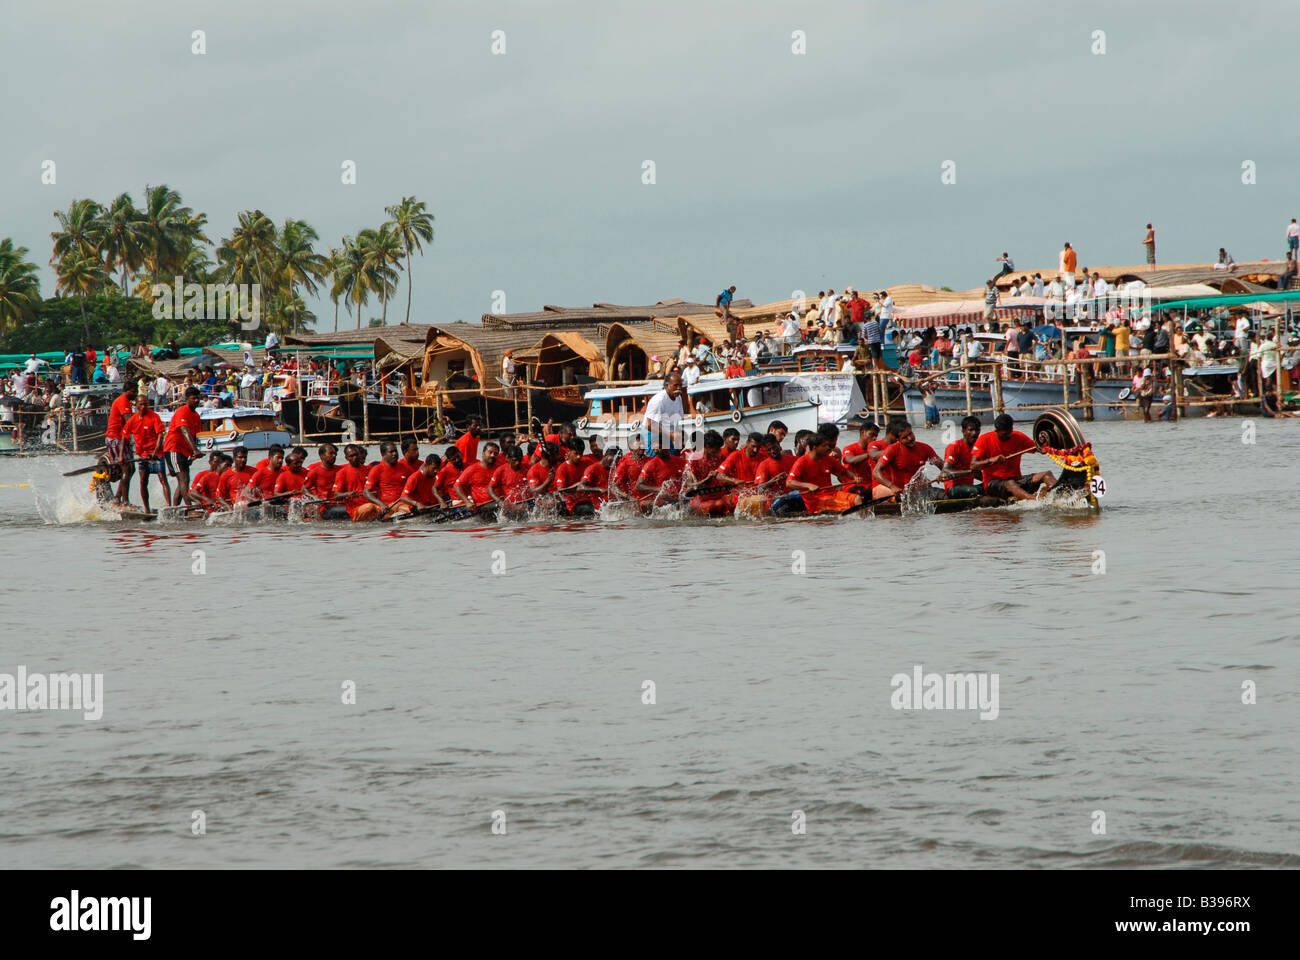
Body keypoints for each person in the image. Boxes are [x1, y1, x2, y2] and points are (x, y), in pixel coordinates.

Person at [969, 413, 1055, 500]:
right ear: (997, 431)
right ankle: (1035, 500)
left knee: (1046, 474)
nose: (1006, 437)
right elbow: (973, 465)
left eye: (1008, 433)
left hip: (1016, 480)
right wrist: (992, 460)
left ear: (1012, 429)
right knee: (1010, 483)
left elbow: (1039, 448)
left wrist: (1045, 445)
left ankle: (1062, 495)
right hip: (992, 484)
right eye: (1003, 435)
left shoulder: (1018, 437)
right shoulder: (984, 440)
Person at [872, 420, 942, 501]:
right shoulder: (892, 450)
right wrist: (892, 486)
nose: (910, 438)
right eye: (905, 437)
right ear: (898, 439)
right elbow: (876, 472)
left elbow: (942, 466)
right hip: (901, 492)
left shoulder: (925, 448)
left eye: (910, 434)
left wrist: (942, 474)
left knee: (945, 495)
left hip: (919, 490)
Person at [121, 393, 169, 512]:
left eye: (146, 404)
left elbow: (160, 435)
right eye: (141, 404)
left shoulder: (154, 417)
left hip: (157, 454)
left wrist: (155, 452)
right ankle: (147, 509)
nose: (144, 406)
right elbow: (124, 437)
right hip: (142, 455)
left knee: (163, 479)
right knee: (143, 482)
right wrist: (121, 455)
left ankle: (169, 507)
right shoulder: (133, 419)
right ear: (136, 405)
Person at [164, 386, 204, 505]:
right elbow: (184, 430)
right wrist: (195, 450)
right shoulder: (182, 411)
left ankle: (175, 508)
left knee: (183, 481)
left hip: (184, 451)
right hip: (173, 448)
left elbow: (194, 435)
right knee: (184, 480)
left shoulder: (196, 415)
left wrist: (193, 453)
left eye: (198, 398)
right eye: (193, 398)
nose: (196, 400)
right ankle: (189, 508)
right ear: (187, 399)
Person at [353, 441, 410, 520]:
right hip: (385, 507)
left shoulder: (404, 468)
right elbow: (366, 492)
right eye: (391, 452)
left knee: (406, 508)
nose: (395, 454)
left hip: (401, 504)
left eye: (396, 451)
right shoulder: (377, 469)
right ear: (383, 454)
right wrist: (381, 504)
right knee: (366, 508)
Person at [643, 371, 690, 454]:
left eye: (680, 385)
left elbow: (676, 421)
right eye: (676, 385)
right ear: (666, 386)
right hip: (652, 434)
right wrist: (671, 435)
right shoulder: (659, 400)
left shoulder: (678, 398)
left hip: (667, 433)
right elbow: (649, 425)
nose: (679, 388)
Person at [941, 416, 984, 498]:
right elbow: (945, 471)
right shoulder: (954, 446)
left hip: (969, 487)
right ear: (963, 431)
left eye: (977, 430)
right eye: (970, 430)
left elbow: (977, 473)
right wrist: (969, 472)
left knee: (991, 485)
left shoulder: (978, 448)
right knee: (977, 490)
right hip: (953, 489)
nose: (974, 433)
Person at [453, 442, 501, 511]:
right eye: (490, 452)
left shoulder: (500, 468)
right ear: (483, 454)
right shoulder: (472, 469)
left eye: (495, 454)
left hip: (499, 504)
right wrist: (467, 502)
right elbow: (457, 486)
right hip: (481, 507)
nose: (492, 455)